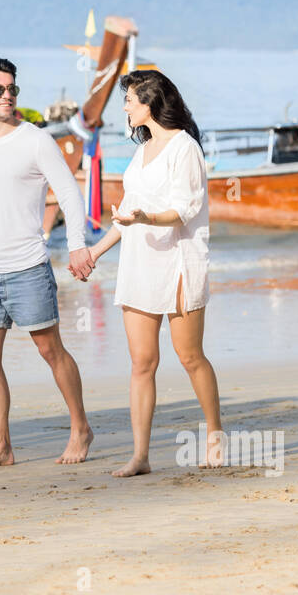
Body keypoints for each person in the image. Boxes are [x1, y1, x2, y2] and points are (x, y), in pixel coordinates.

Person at [0, 57, 96, 468]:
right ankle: (1, 445)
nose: (7, 96)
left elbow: (69, 194)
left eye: (12, 89)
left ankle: (81, 428)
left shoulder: (34, 140)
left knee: (50, 349)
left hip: (28, 266)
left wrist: (75, 246)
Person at [86, 70, 224, 477]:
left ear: (149, 103)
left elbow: (183, 210)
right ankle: (140, 456)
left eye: (129, 99)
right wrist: (94, 252)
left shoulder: (185, 148)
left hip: (178, 261)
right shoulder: (141, 150)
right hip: (139, 264)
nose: (125, 107)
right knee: (142, 362)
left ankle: (214, 434)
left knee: (189, 356)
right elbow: (128, 212)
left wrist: (148, 217)